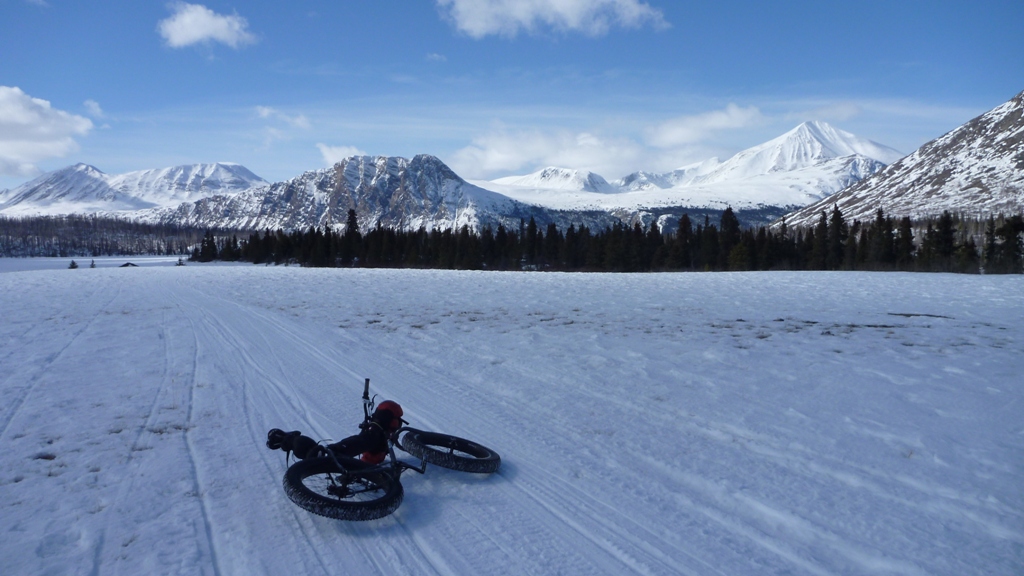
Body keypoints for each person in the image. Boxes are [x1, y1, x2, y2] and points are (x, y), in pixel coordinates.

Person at [267, 400, 406, 464]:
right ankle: (330, 452)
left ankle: (330, 452)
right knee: (360, 442)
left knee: (360, 443)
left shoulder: (377, 433)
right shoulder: (376, 435)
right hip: (370, 447)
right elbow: (358, 443)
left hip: (370, 456)